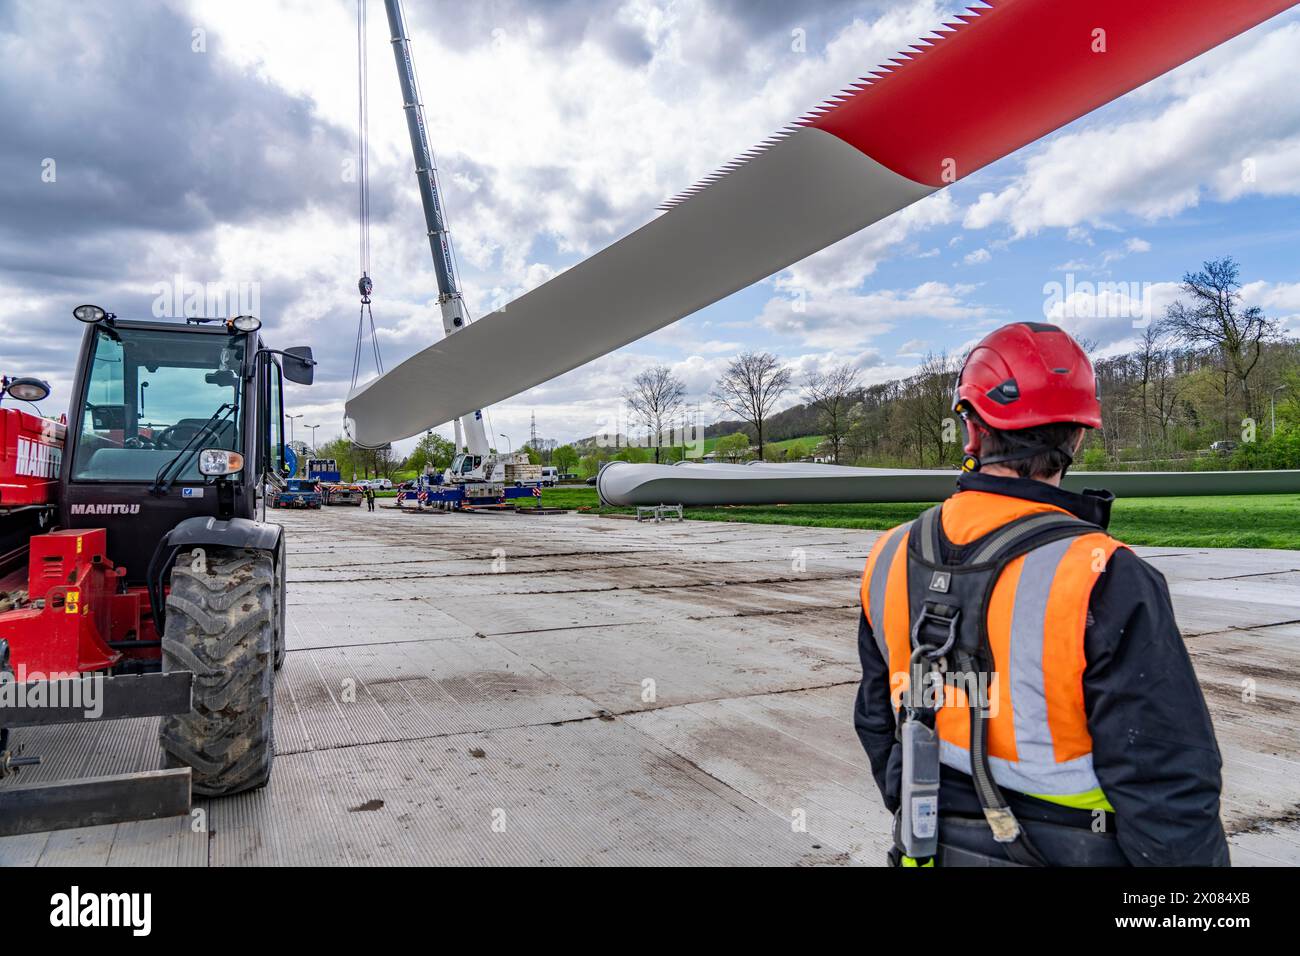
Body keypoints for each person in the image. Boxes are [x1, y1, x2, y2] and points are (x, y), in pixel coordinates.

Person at [853, 322, 1228, 867]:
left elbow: (875, 718)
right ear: (1078, 435)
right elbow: (1166, 781)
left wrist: (917, 807)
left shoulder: (889, 554)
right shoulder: (1106, 572)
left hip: (928, 847)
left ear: (972, 433)